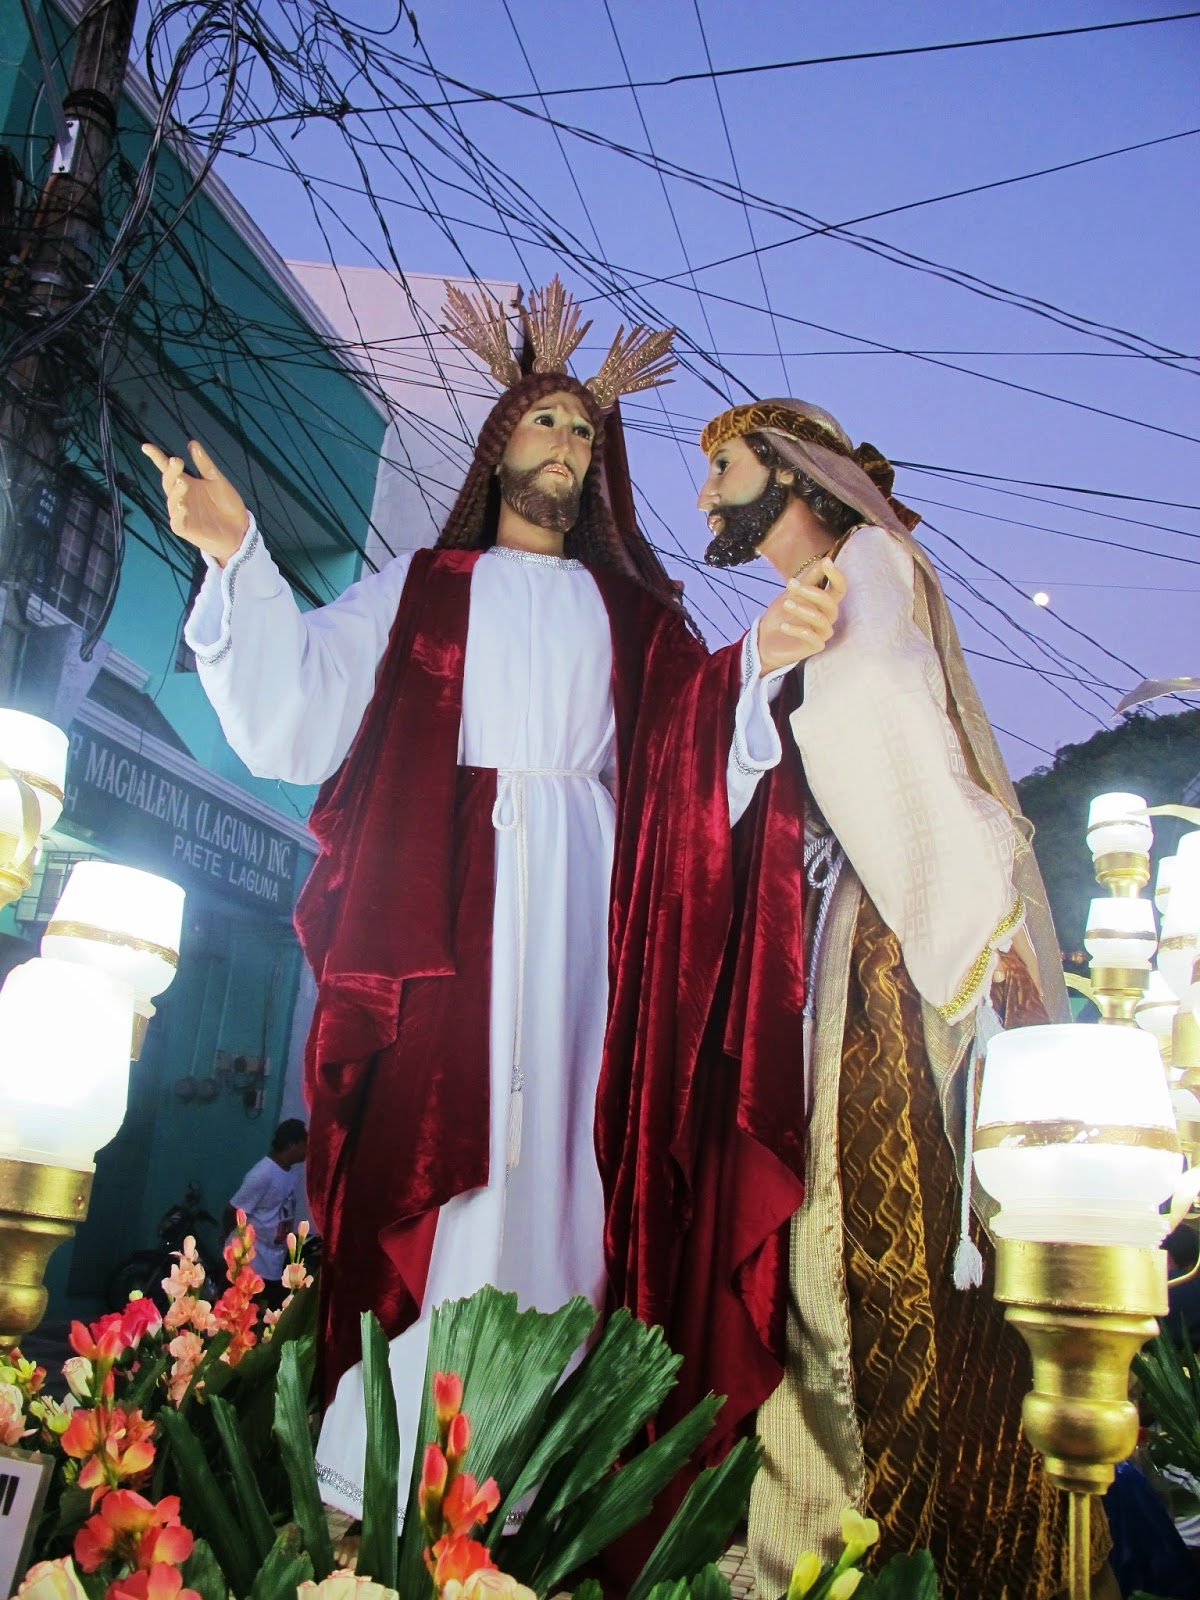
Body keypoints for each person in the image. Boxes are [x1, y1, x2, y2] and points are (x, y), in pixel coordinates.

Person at [140, 282, 832, 1524]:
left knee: (569, 1163)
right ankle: (383, 1470)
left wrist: (761, 669)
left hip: (586, 926)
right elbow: (297, 708)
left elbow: (692, 746)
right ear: (500, 440)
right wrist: (240, 556)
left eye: (584, 433)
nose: (566, 444)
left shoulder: (638, 618)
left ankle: (532, 1481)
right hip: (447, 925)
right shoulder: (420, 584)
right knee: (446, 1168)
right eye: (547, 423)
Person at [672, 398, 1087, 1598]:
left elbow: (895, 740)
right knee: (842, 1247)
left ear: (796, 475)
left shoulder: (866, 567)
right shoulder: (844, 584)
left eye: (725, 468)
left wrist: (978, 942)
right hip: (876, 931)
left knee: (858, 1252)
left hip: (904, 945)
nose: (706, 495)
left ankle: (846, 1545)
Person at [223, 1117, 308, 1296]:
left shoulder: (290, 1172)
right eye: (303, 1144)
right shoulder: (262, 1174)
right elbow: (233, 1210)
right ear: (292, 1145)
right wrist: (229, 1237)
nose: (307, 1150)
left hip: (273, 1260)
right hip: (252, 1262)